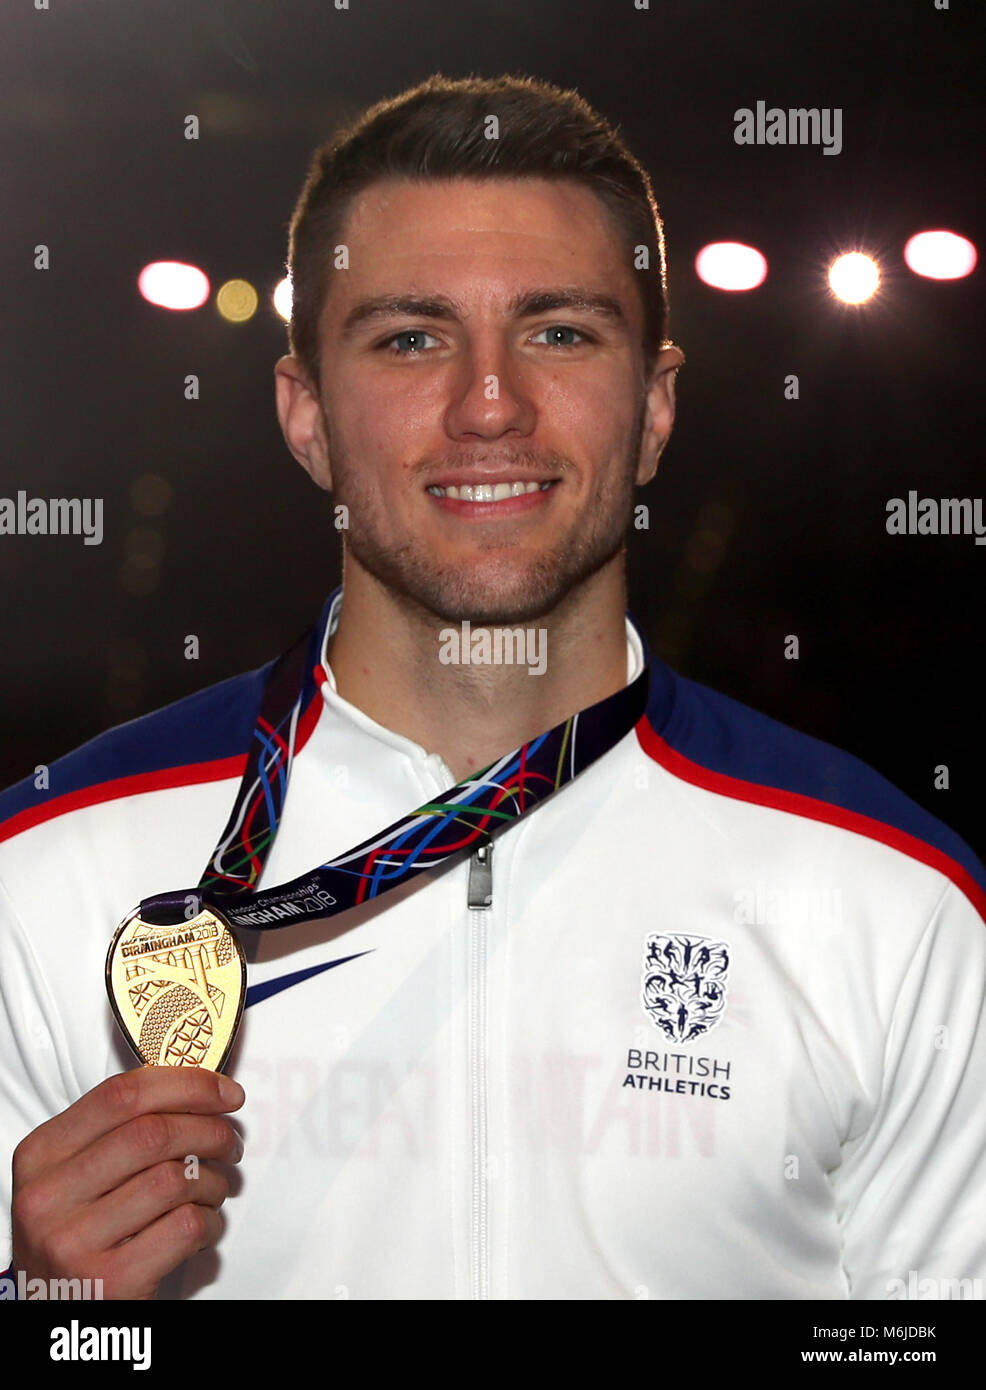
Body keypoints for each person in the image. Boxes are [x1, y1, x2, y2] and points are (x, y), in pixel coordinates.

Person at [1, 72, 983, 1302]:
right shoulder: (41, 874)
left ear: (656, 408)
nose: (488, 403)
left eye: (559, 331)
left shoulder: (897, 899)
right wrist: (43, 1317)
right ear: (305, 416)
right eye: (410, 337)